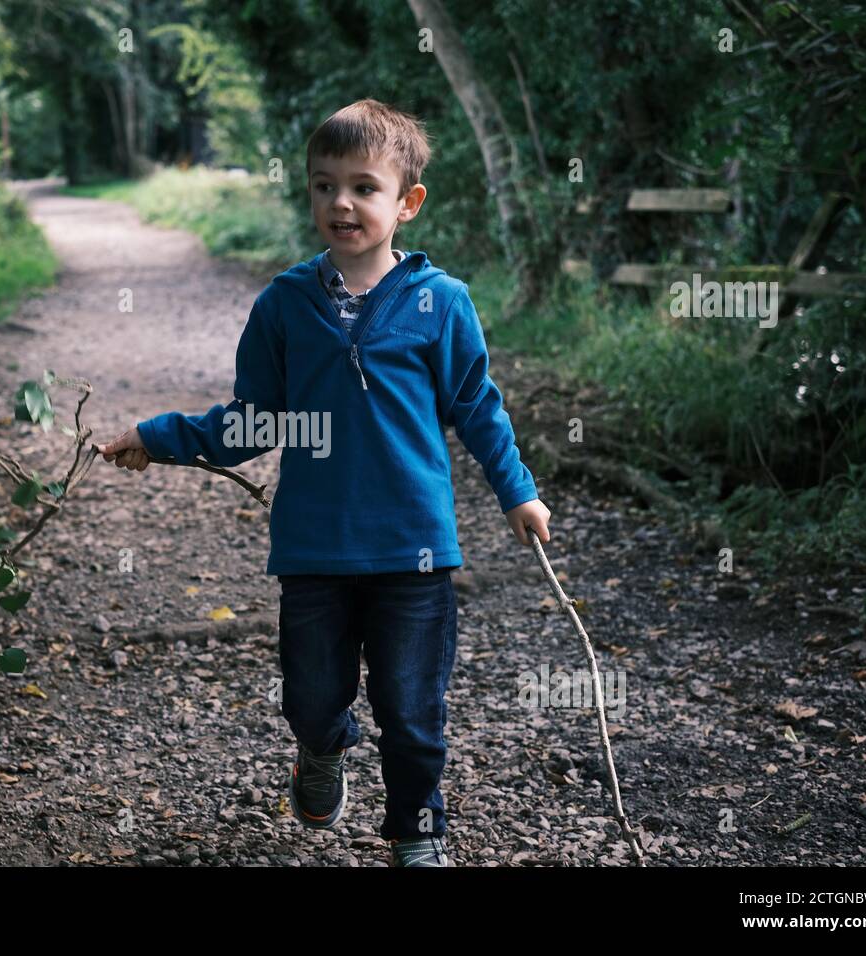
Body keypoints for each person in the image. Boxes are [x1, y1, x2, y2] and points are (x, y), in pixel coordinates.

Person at [97, 98, 551, 867]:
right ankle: (320, 750)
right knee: (312, 696)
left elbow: (478, 406)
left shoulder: (442, 303)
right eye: (323, 186)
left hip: (414, 551)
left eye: (363, 187)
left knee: (412, 710)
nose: (341, 202)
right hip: (313, 550)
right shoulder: (284, 306)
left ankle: (418, 831)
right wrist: (158, 437)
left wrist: (518, 491)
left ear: (407, 203)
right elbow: (250, 421)